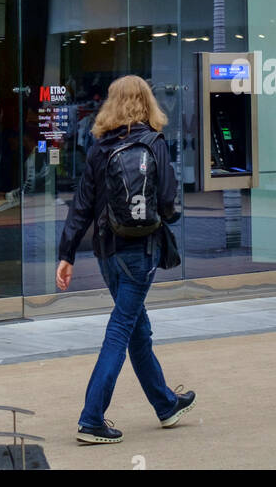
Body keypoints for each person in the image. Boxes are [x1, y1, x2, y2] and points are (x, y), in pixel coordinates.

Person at [56, 74, 195, 444]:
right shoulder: (155, 142)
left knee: (137, 330)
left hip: (108, 253)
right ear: (147, 102)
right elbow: (169, 202)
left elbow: (81, 205)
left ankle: (166, 404)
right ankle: (91, 419)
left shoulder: (100, 147)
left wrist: (66, 254)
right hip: (142, 250)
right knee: (121, 330)